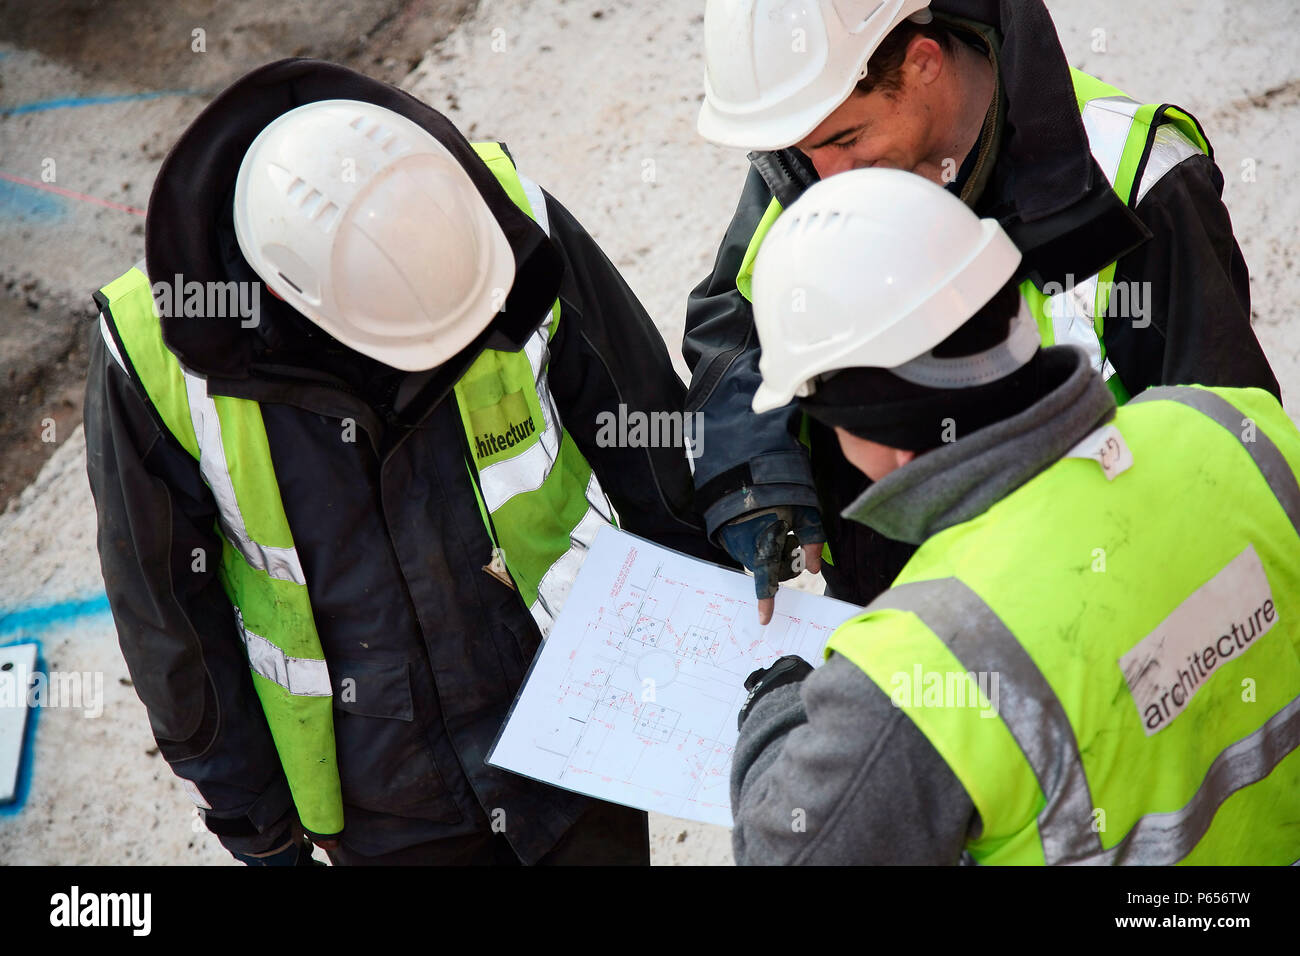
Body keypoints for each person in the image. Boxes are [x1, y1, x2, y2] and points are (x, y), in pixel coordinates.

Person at [84, 58, 720, 866]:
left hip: (573, 732)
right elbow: (168, 609)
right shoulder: (153, 351)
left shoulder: (495, 213)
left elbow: (642, 421)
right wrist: (253, 817)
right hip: (387, 804)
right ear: (286, 295)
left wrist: (712, 614)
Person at [728, 167, 1300, 865]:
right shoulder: (1234, 425)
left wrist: (779, 703)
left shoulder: (917, 664)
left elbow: (782, 854)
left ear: (874, 427)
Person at [687, 0, 1281, 616]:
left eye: (846, 137)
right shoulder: (809, 161)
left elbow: (1227, 448)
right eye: (803, 148)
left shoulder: (1131, 182)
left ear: (922, 62)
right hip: (899, 616)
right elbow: (737, 322)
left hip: (1090, 616)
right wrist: (753, 477)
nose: (827, 176)